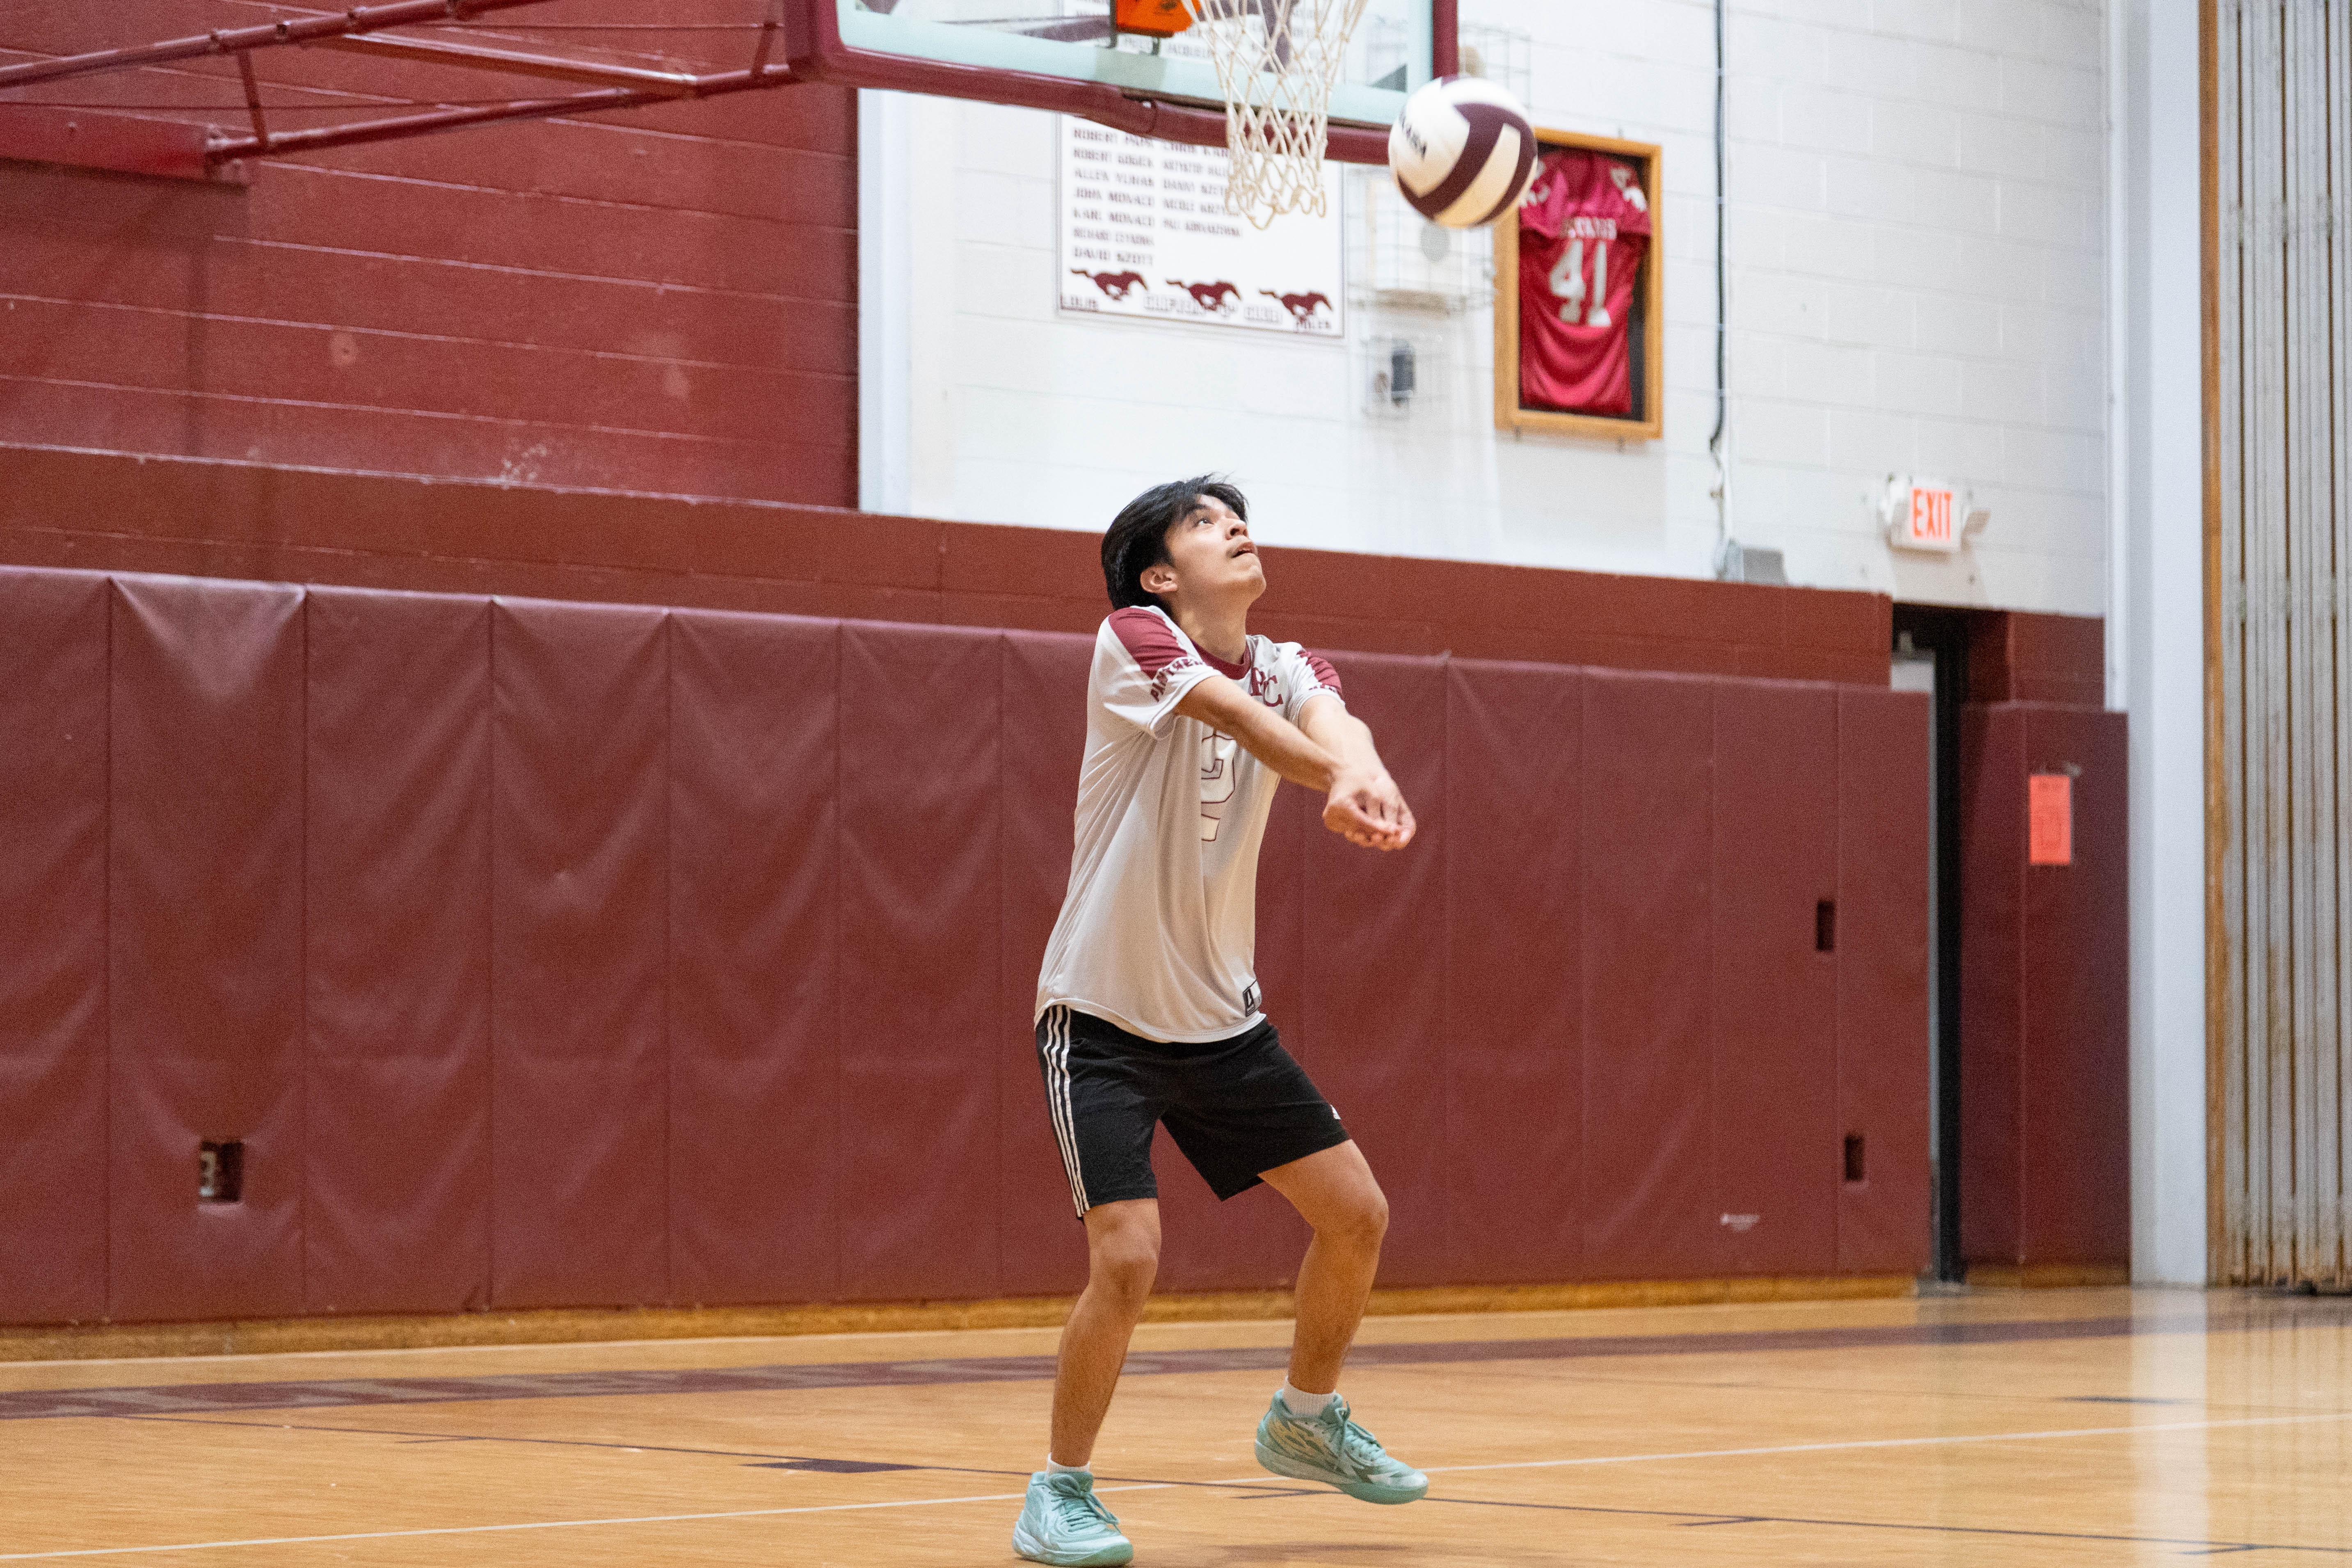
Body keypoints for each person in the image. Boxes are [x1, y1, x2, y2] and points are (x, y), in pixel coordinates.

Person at [1013, 477, 1426, 1567]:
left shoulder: (1291, 662)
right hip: (1099, 1018)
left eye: (1237, 516)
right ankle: (1059, 1493)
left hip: (1219, 1024)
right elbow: (1244, 723)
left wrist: (1365, 775)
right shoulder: (1134, 639)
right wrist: (1330, 779)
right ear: (1159, 571)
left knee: (1357, 1215)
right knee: (1131, 1260)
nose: (1235, 529)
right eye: (1203, 522)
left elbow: (1337, 718)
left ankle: (1305, 1419)